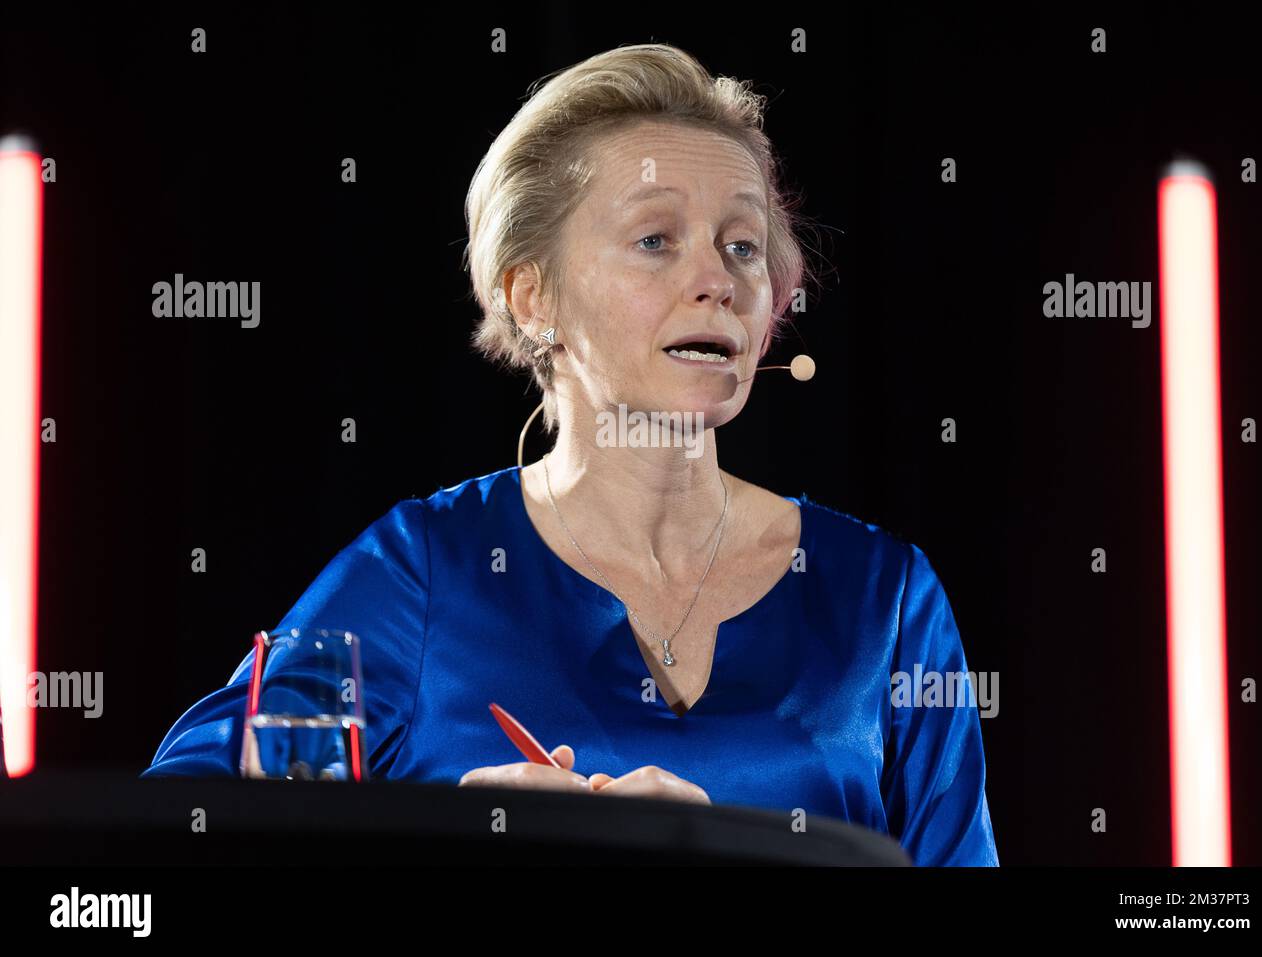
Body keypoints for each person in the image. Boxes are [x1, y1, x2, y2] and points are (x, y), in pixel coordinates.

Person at [141, 43, 999, 866]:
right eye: (656, 240)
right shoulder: (418, 573)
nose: (719, 280)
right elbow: (178, 840)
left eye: (742, 246)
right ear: (533, 295)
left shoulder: (886, 601)